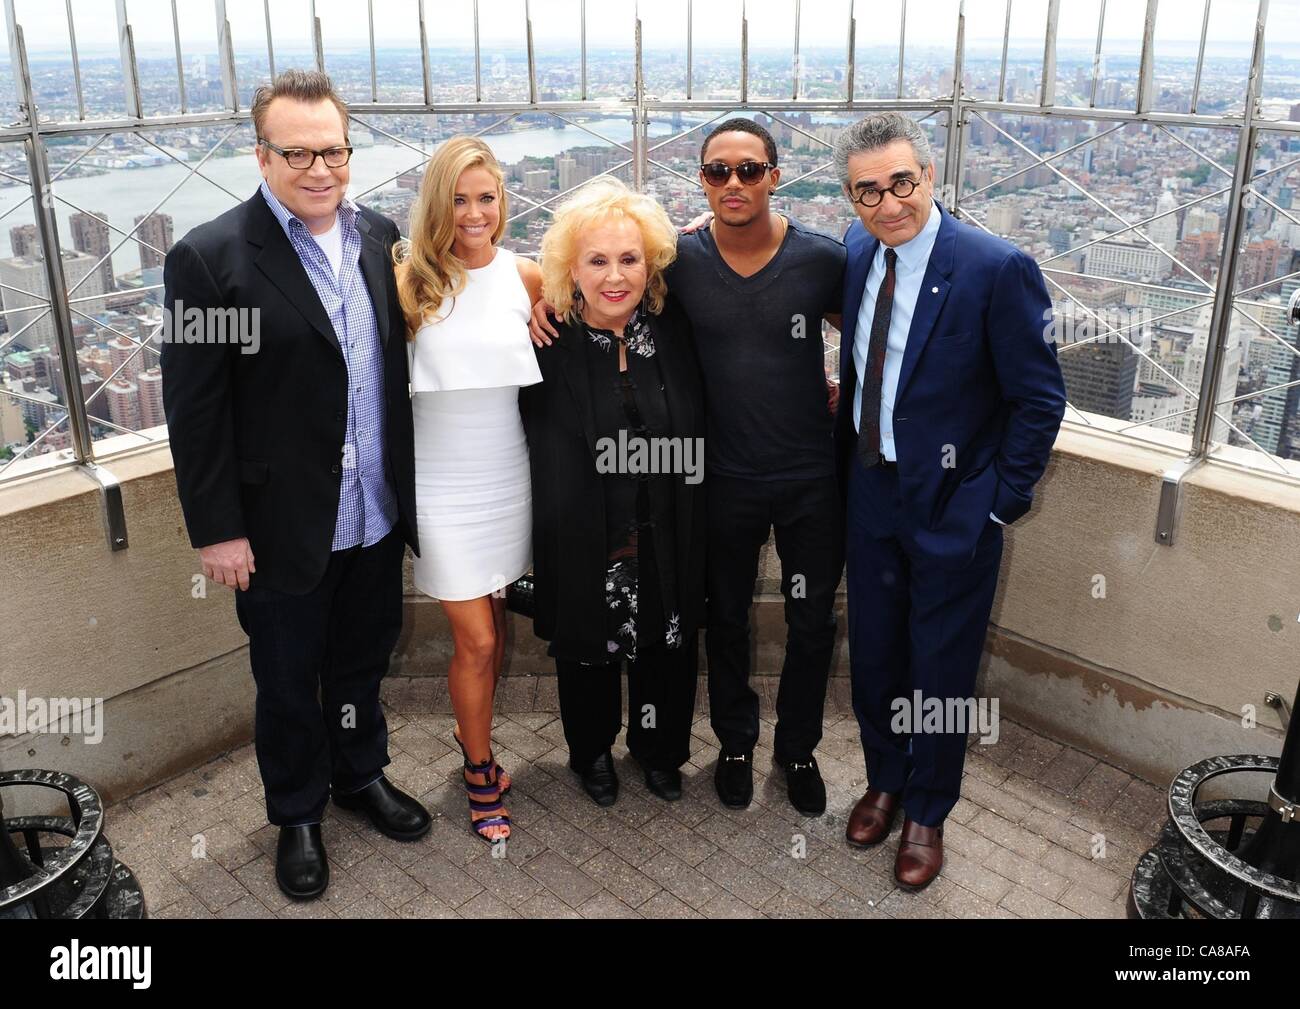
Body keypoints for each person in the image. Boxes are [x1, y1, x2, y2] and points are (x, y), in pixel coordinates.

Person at [161, 69, 430, 901]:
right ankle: (297, 812)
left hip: (374, 510)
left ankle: (359, 771)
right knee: (284, 678)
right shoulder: (208, 258)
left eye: (334, 150)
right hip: (278, 524)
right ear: (262, 153)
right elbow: (194, 410)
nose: (320, 168)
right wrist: (216, 529)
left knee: (361, 658)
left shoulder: (379, 234)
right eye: (299, 152)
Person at [833, 112, 1066, 889]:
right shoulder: (860, 250)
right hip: (871, 489)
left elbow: (1040, 400)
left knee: (941, 667)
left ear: (930, 176)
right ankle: (886, 779)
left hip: (955, 503)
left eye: (902, 182)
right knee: (875, 652)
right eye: (869, 190)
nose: (889, 202)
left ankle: (928, 809)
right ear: (852, 198)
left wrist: (996, 503)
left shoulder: (998, 267)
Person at [520, 178, 706, 807]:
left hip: (665, 528)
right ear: (571, 269)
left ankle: (658, 751)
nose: (614, 276)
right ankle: (591, 752)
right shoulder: (543, 341)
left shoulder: (674, 326)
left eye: (628, 258)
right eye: (596, 261)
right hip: (581, 531)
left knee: (666, 646)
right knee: (586, 651)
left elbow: (727, 243)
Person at [395, 136, 543, 844]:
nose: (475, 212)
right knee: (479, 640)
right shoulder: (407, 284)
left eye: (487, 197)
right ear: (436, 205)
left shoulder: (529, 277)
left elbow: (620, 283)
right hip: (440, 485)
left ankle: (470, 731)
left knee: (490, 623)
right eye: (458, 199)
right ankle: (480, 764)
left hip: (508, 475)